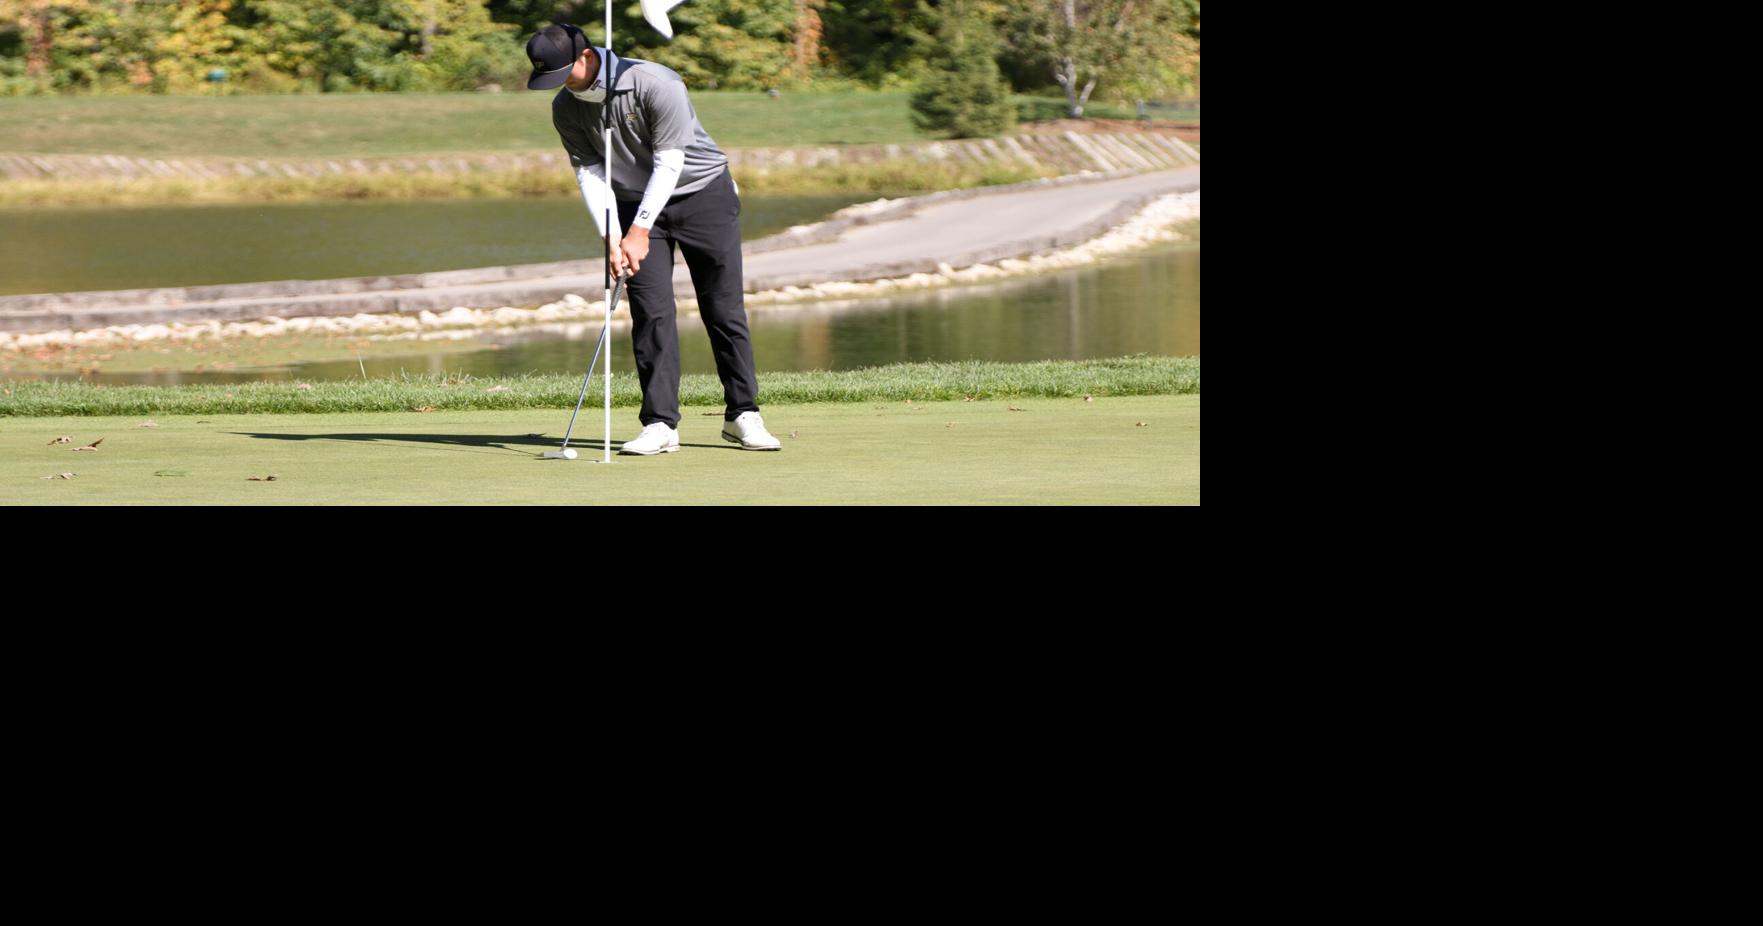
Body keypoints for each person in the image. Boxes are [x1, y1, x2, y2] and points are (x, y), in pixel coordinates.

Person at [524, 22, 780, 455]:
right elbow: (589, 172)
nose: (561, 85)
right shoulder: (566, 108)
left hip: (702, 194)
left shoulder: (656, 82)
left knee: (722, 308)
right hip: (630, 201)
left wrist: (639, 230)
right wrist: (610, 233)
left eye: (564, 73)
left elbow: (670, 161)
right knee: (651, 312)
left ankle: (743, 415)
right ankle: (660, 423)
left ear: (586, 58)